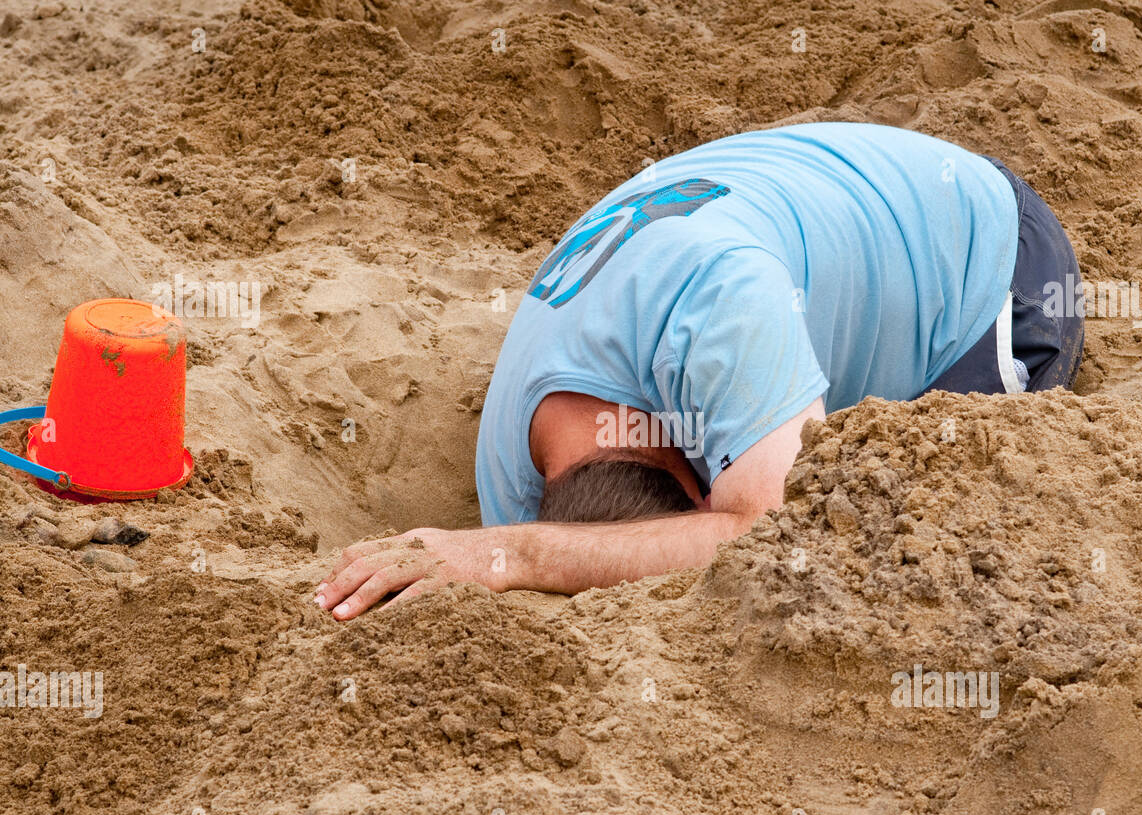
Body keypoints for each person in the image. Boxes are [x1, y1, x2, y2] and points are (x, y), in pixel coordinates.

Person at [315, 122, 1083, 619]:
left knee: (910, 499)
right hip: (774, 191)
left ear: (693, 474)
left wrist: (519, 554)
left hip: (982, 243)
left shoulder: (726, 306)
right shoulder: (511, 488)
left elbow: (770, 531)